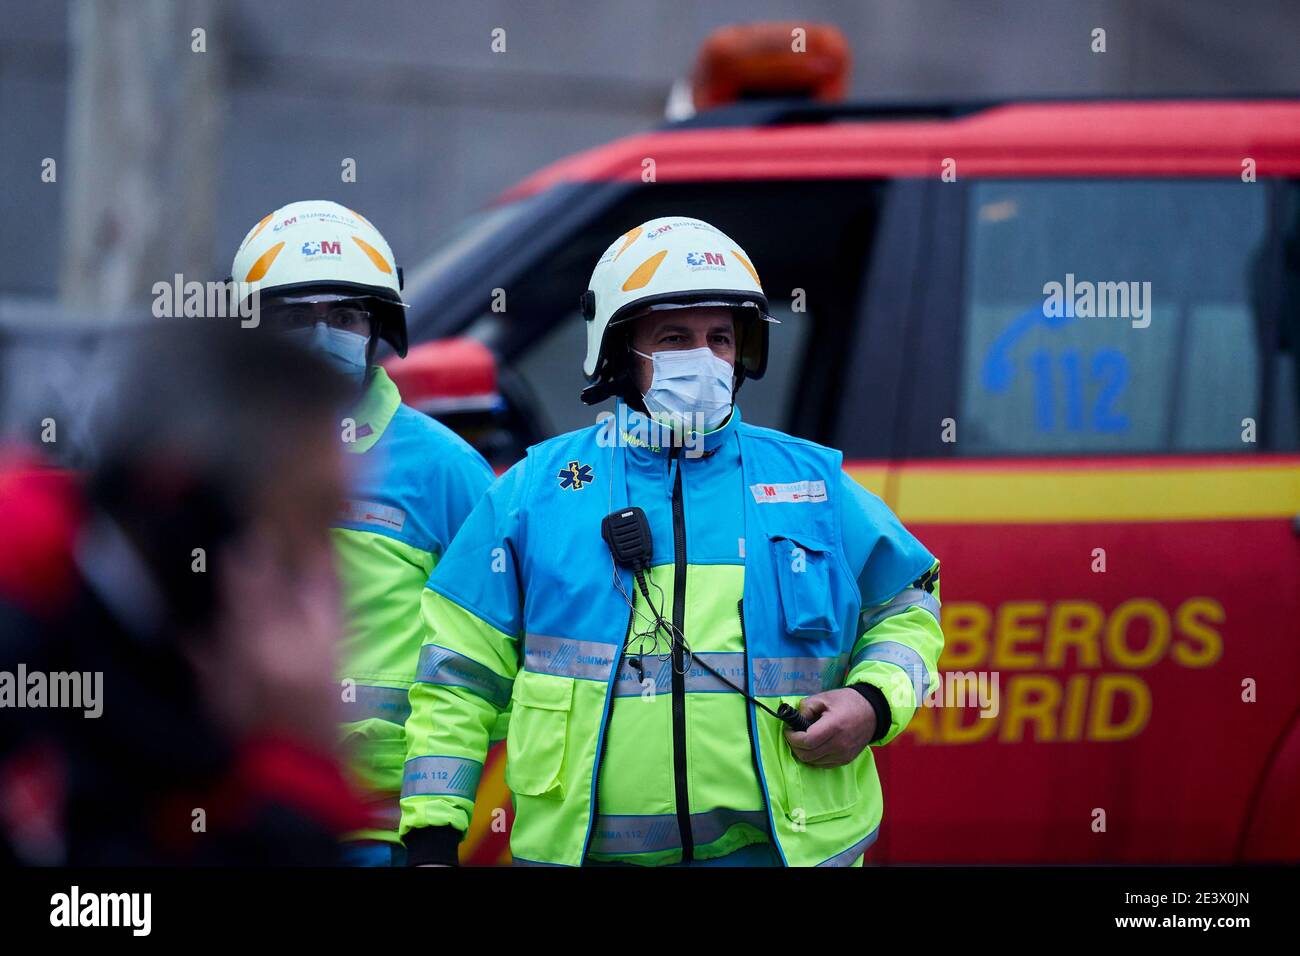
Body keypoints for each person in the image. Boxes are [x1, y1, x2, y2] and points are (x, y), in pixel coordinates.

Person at [399, 216, 944, 867]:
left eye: (720, 337)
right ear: (619, 349)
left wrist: (873, 701)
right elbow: (458, 673)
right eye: (675, 337)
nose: (704, 358)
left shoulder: (814, 484)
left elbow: (911, 603)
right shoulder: (535, 491)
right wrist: (432, 833)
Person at [0, 325, 367, 865]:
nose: (330, 574)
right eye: (310, 519)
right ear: (190, 506)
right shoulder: (32, 666)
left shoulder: (157, 645)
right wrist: (293, 769)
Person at [230, 201, 495, 865]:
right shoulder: (213, 459)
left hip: (389, 832)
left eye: (345, 317)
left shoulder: (445, 470)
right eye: (297, 317)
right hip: (243, 817)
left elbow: (497, 654)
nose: (325, 337)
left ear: (380, 328)